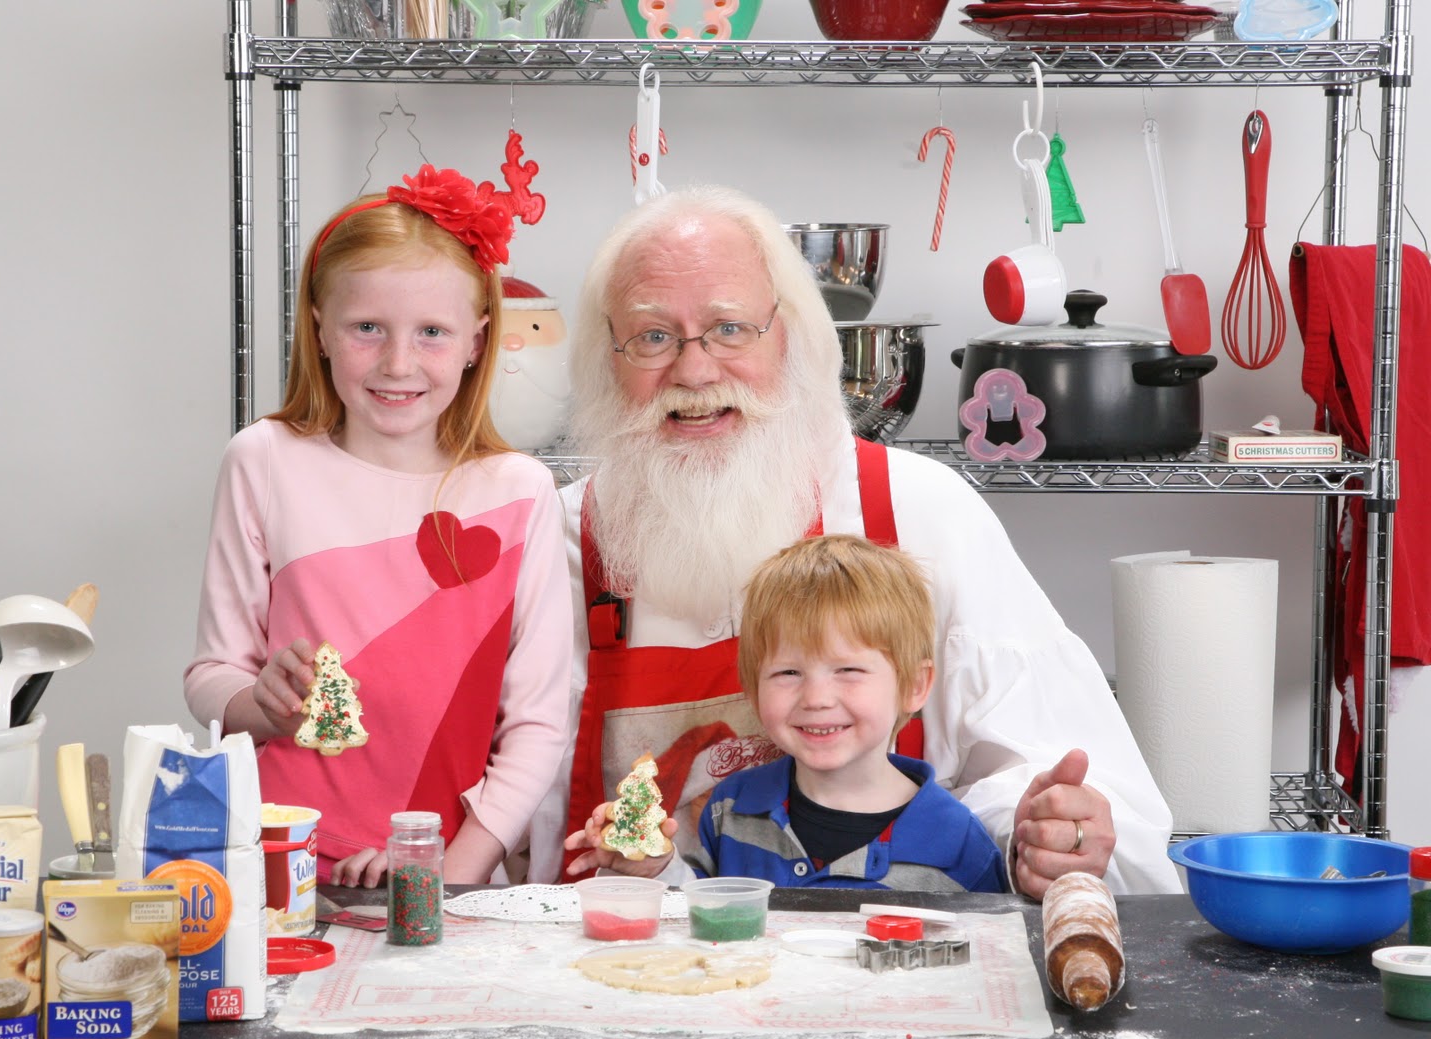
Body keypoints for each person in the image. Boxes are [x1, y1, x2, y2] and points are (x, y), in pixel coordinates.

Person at [526, 183, 1181, 900]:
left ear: (794, 336)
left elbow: (1055, 775)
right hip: (625, 972)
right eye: (652, 336)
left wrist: (1041, 831)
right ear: (605, 360)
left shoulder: (919, 512)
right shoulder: (555, 538)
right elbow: (507, 810)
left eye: (731, 328)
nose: (694, 369)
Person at [184, 165, 571, 889]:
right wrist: (257, 704)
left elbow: (537, 724)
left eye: (431, 332)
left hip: (450, 875)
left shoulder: (521, 493)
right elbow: (211, 674)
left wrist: (445, 874)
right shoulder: (262, 461)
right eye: (368, 328)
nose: (398, 362)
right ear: (321, 330)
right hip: (280, 866)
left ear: (477, 342)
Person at [565, 534, 1009, 892]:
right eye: (788, 672)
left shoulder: (959, 842)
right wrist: (654, 869)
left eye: (848, 670)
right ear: (754, 691)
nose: (816, 697)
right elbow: (696, 920)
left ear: (913, 686)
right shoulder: (731, 808)